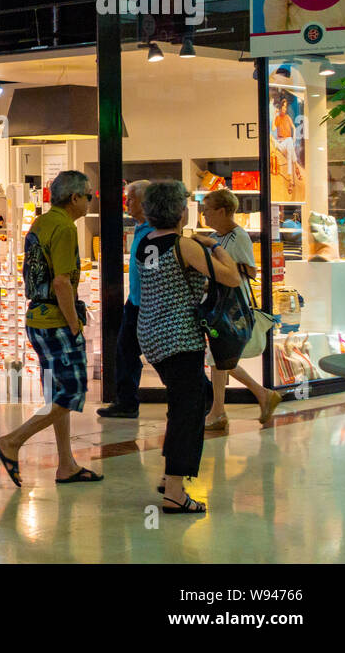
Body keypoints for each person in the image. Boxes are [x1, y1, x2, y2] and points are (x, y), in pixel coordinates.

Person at [136, 180, 243, 515]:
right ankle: (174, 492)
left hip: (151, 334)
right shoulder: (185, 246)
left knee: (187, 402)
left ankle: (171, 476)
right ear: (179, 210)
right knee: (188, 412)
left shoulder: (144, 243)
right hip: (180, 337)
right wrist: (215, 247)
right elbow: (231, 278)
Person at [0, 170, 102, 486]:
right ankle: (12, 442)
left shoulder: (42, 222)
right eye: (88, 196)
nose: (89, 201)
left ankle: (66, 464)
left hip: (36, 319)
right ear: (75, 198)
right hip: (56, 321)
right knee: (71, 394)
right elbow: (61, 282)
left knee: (58, 394)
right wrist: (74, 326)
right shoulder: (65, 228)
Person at [200, 188, 282, 430]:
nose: (205, 216)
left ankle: (230, 407)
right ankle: (222, 409)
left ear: (222, 211)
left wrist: (219, 264)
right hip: (218, 303)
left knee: (220, 357)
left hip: (232, 306)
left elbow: (251, 271)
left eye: (208, 211)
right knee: (217, 357)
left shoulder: (238, 236)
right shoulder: (216, 236)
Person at [98, 180, 151, 418]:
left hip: (149, 304)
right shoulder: (140, 227)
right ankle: (126, 401)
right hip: (135, 302)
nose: (126, 203)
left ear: (144, 202)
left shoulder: (152, 232)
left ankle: (203, 395)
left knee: (161, 355)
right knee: (125, 351)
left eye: (130, 198)